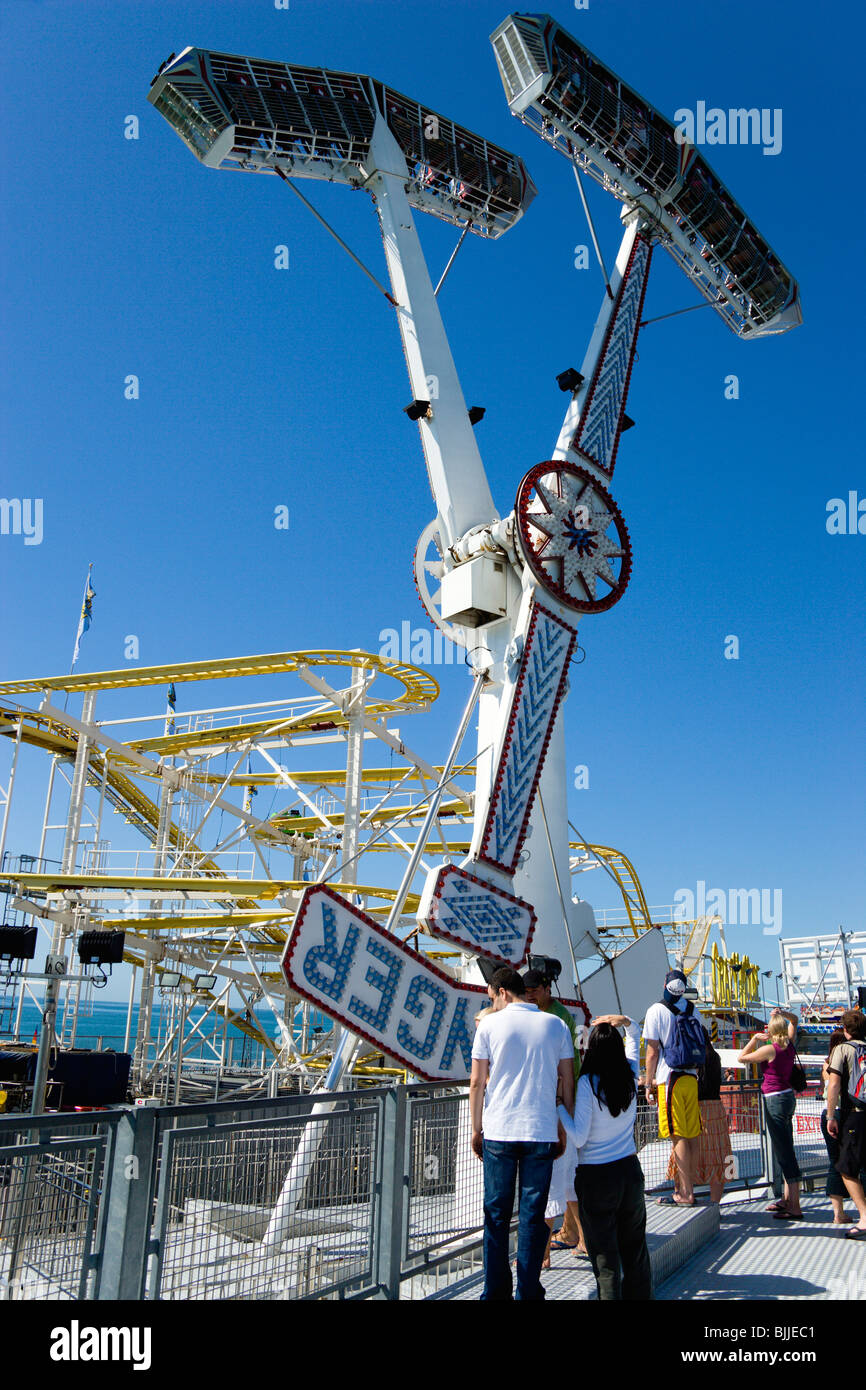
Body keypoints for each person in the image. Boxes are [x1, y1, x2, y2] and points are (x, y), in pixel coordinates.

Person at [470, 967, 575, 1300]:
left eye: (492, 997)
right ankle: (528, 1291)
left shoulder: (488, 1025)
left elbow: (476, 1082)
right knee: (533, 1215)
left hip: (499, 1129)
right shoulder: (556, 1025)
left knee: (497, 1215)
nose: (493, 1004)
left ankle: (494, 1292)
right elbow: (567, 1081)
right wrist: (565, 1124)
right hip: (541, 1129)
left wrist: (476, 1128)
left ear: (502, 992)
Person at [557, 1014, 652, 1301]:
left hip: (597, 1177)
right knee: (635, 1251)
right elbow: (635, 1039)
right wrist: (625, 1021)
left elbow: (579, 1137)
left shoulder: (588, 1083)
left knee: (605, 1258)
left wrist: (560, 1106)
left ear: (592, 1050)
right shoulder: (630, 1074)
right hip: (629, 1171)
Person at [523, 967, 587, 1259]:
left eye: (535, 989)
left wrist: (567, 1107)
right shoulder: (555, 1015)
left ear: (547, 988)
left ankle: (544, 1251)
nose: (530, 994)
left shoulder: (556, 1018)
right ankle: (575, 1235)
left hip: (555, 1107)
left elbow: (567, 1068)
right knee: (567, 1179)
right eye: (527, 990)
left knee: (552, 1181)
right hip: (558, 1106)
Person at [643, 969, 705, 1206]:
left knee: (677, 1136)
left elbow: (652, 1052)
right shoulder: (693, 1010)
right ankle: (685, 1187)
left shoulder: (656, 1010)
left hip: (670, 1078)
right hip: (691, 1077)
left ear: (665, 984)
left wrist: (648, 1083)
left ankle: (685, 1193)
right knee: (692, 1135)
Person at [738, 1008, 802, 1219]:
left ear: (770, 1030)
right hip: (788, 1098)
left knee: (785, 1153)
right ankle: (787, 1198)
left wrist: (755, 1038)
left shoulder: (770, 1049)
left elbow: (742, 1058)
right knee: (786, 1146)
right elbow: (795, 1020)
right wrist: (784, 1013)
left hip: (774, 1099)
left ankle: (794, 1206)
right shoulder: (790, 1044)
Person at [665, 1025, 733, 1205]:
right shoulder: (715, 1056)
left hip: (698, 1108)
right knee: (719, 1157)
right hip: (716, 1108)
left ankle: (682, 1192)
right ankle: (715, 1203)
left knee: (683, 1149)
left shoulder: (694, 1057)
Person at [825, 1008, 866, 1237]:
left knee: (846, 1167)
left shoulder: (843, 1049)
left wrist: (831, 1116)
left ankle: (864, 1217)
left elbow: (834, 1084)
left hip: (854, 1113)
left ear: (845, 1029)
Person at [820, 1028, 852, 1225]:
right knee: (857, 1161)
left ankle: (837, 1212)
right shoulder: (847, 1062)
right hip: (846, 1112)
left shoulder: (827, 1064)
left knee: (834, 1162)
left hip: (829, 1113)